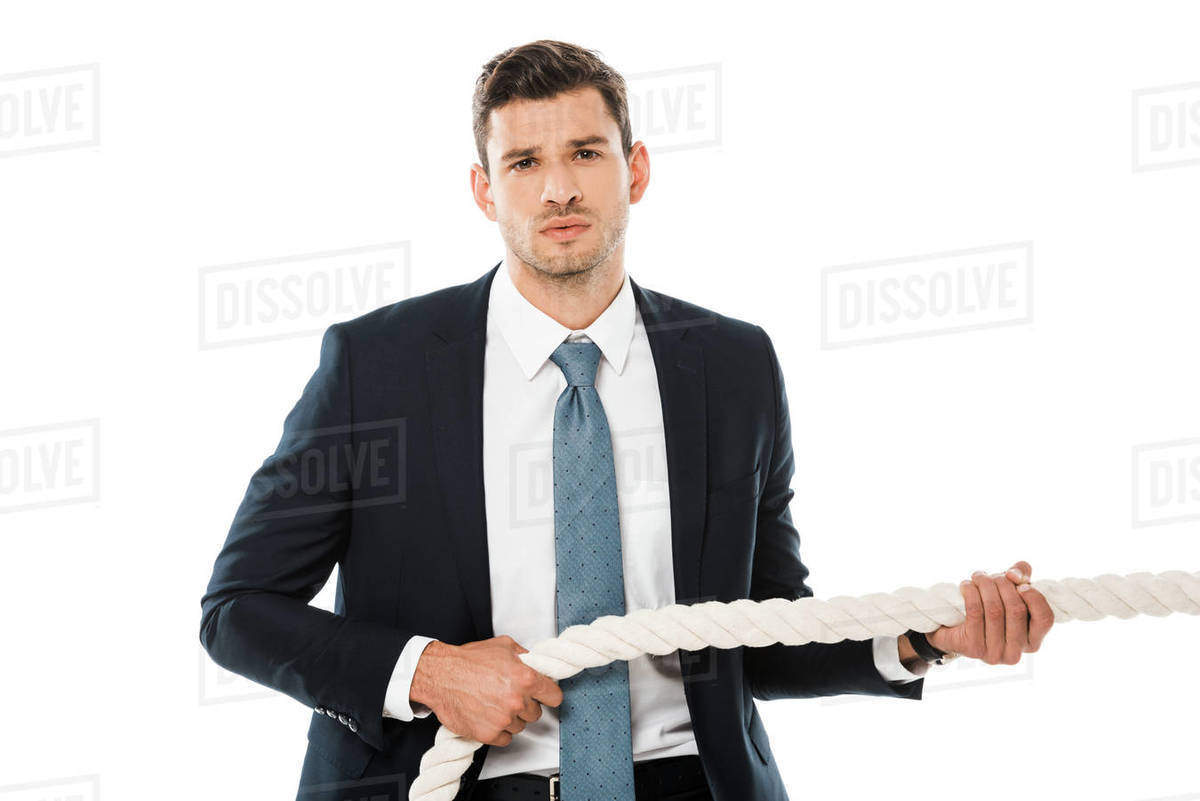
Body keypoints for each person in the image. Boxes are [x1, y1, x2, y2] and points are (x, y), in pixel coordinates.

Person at [199, 39, 1054, 801]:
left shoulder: (731, 364)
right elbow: (237, 607)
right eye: (525, 161)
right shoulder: (375, 368)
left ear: (635, 169)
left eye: (585, 152)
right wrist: (426, 671)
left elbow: (765, 628)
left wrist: (922, 635)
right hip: (453, 783)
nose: (560, 187)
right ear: (482, 188)